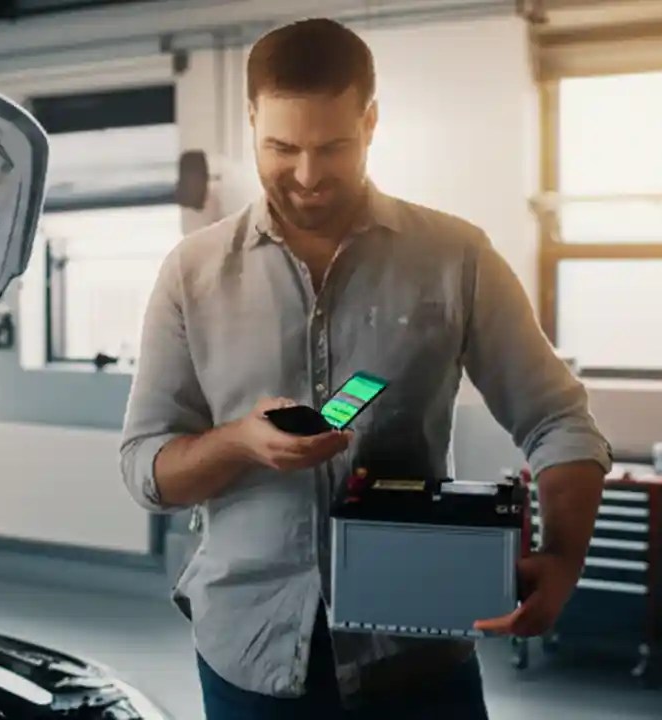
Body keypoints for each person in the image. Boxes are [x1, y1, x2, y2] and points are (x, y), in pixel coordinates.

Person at [119, 17, 611, 720]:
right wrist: (238, 443)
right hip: (250, 652)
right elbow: (146, 469)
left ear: (371, 122)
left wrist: (563, 558)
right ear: (252, 120)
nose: (308, 175)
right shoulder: (191, 272)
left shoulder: (457, 255)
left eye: (333, 147)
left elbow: (557, 418)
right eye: (281, 147)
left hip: (418, 649)